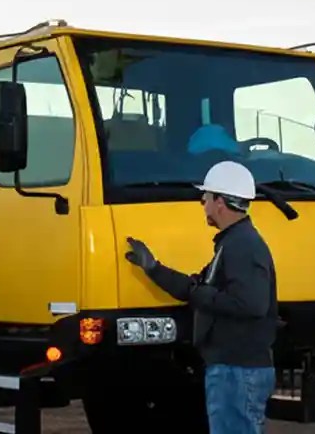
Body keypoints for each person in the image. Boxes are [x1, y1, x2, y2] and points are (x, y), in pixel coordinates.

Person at [123, 160, 279, 434]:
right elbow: (195, 287)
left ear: (220, 201)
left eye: (205, 198)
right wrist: (154, 268)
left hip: (236, 371)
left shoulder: (243, 246)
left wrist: (202, 295)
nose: (203, 204)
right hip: (232, 369)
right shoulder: (233, 243)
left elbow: (252, 304)